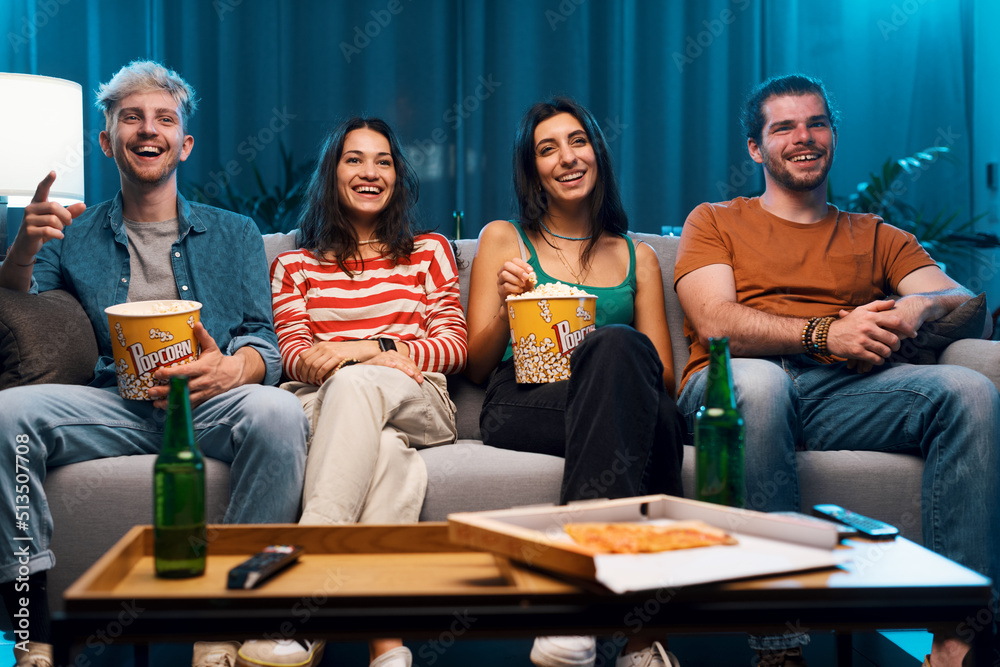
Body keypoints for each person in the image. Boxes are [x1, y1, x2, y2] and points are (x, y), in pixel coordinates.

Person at [674, 73, 999, 667]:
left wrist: (913, 308)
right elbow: (715, 322)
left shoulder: (874, 234)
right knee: (764, 384)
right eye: (784, 127)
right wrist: (825, 333)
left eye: (816, 123)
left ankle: (957, 641)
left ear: (832, 134)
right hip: (730, 383)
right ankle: (780, 648)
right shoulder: (716, 220)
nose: (804, 137)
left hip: (840, 396)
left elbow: (964, 300)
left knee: (970, 391)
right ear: (756, 148)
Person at [0, 60, 309, 667]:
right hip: (113, 402)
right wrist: (23, 245)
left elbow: (263, 340)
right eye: (131, 118)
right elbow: (22, 307)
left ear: (184, 143)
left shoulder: (235, 232)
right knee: (6, 415)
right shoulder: (75, 234)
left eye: (164, 119)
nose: (149, 130)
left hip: (209, 404)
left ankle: (220, 627)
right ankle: (27, 629)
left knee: (278, 414)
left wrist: (234, 370)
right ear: (106, 138)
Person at [238, 117, 465, 667]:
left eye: (383, 161)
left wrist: (360, 350)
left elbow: (452, 346)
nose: (370, 172)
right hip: (323, 405)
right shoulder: (293, 264)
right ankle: (386, 646)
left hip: (420, 398)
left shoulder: (429, 252)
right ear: (332, 173)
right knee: (385, 451)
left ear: (398, 175)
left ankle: (301, 593)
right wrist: (382, 351)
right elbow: (293, 355)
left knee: (360, 379)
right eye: (355, 159)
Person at [465, 97, 685, 667]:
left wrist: (600, 352)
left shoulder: (640, 255)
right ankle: (637, 636)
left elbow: (662, 374)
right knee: (649, 415)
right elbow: (476, 365)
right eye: (548, 148)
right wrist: (510, 304)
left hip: (615, 398)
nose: (567, 158)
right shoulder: (503, 239)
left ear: (597, 153)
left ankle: (573, 615)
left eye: (577, 141)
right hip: (522, 400)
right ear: (532, 167)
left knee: (620, 355)